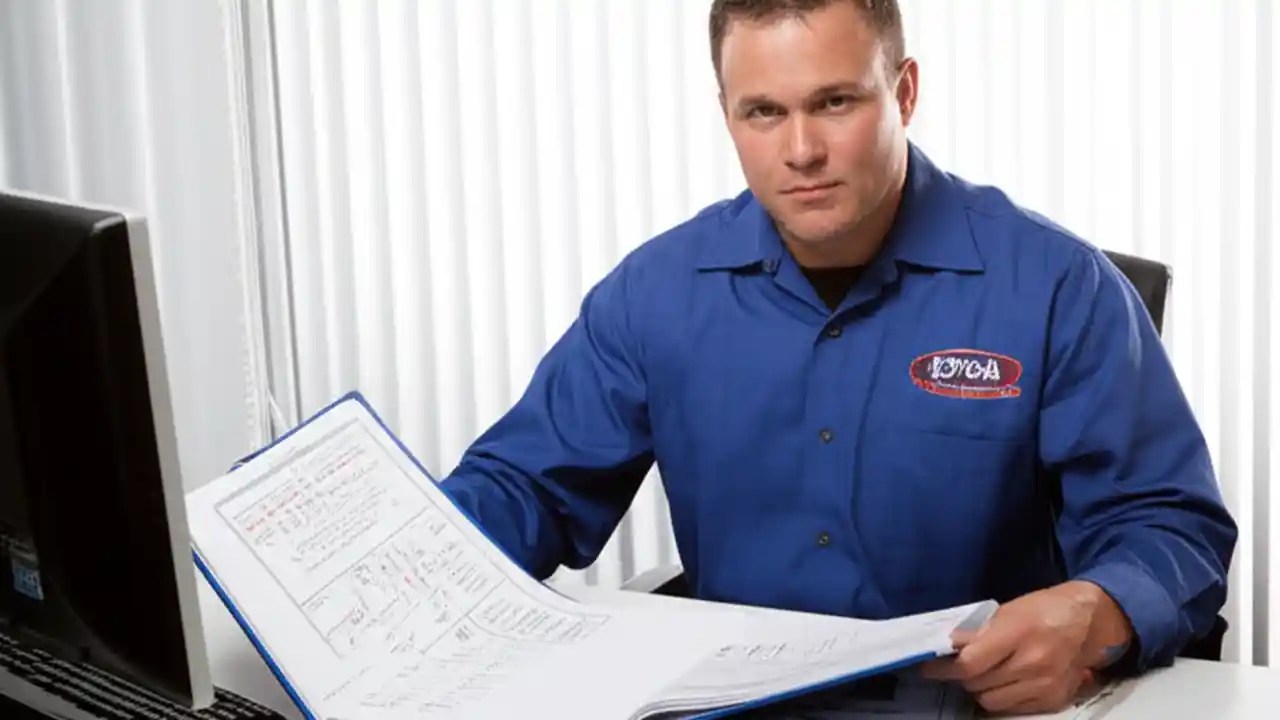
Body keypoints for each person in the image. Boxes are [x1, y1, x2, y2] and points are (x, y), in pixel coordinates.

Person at [439, 0, 1237, 714]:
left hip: (973, 707)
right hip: (734, 704)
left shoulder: (1058, 286)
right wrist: (395, 573)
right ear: (726, 115)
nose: (800, 149)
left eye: (834, 102)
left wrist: (1101, 614)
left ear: (905, 93)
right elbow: (525, 487)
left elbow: (1170, 522)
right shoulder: (654, 294)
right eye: (762, 112)